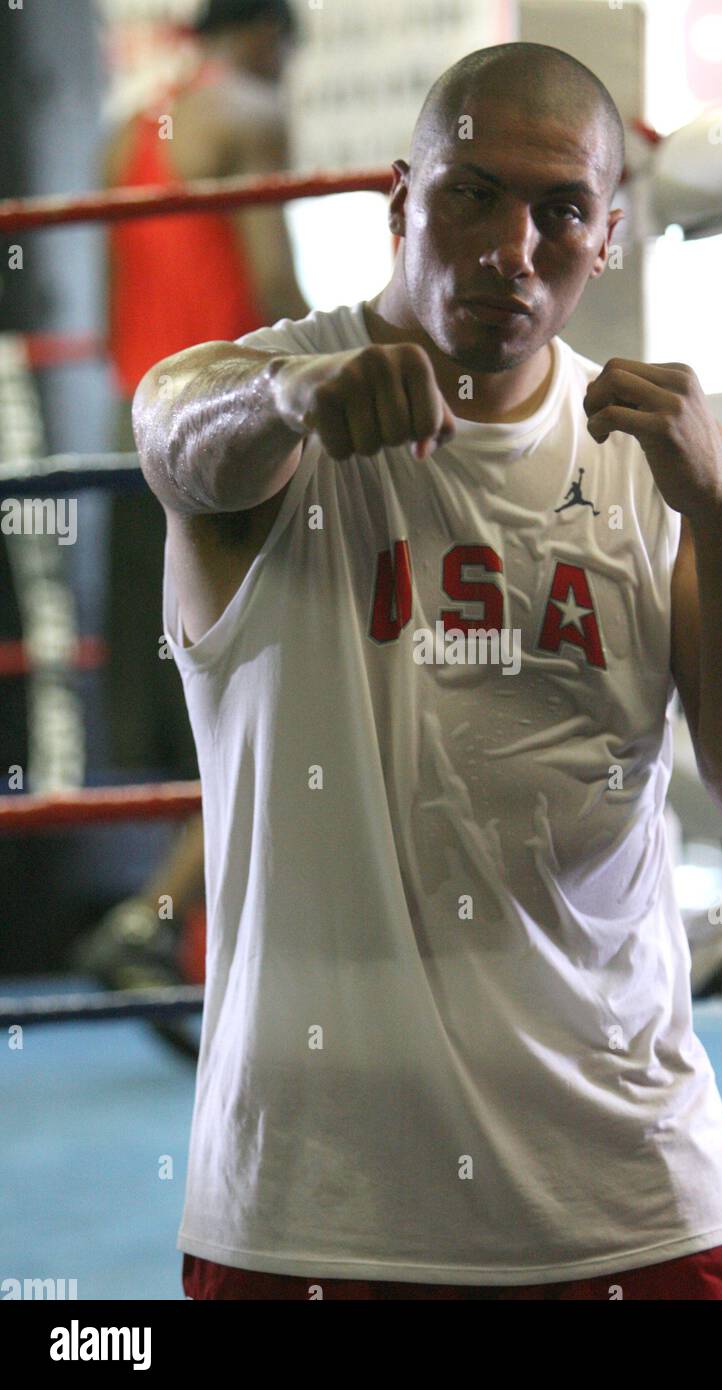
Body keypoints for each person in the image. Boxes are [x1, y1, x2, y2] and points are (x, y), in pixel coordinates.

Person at [134, 42, 722, 1300]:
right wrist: (296, 398)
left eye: (559, 209)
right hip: (317, 1214)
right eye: (472, 193)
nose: (512, 244)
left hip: (629, 1199)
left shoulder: (646, 459)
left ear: (607, 236)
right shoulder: (274, 411)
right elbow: (176, 427)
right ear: (403, 200)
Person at [73, 0, 308, 1004]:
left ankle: (176, 927)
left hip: (141, 443)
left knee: (202, 706)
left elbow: (108, 304)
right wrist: (326, 398)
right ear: (264, 38)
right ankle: (160, 921)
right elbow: (275, 286)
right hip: (229, 445)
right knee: (282, 693)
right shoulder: (248, 110)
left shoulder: (127, 129)